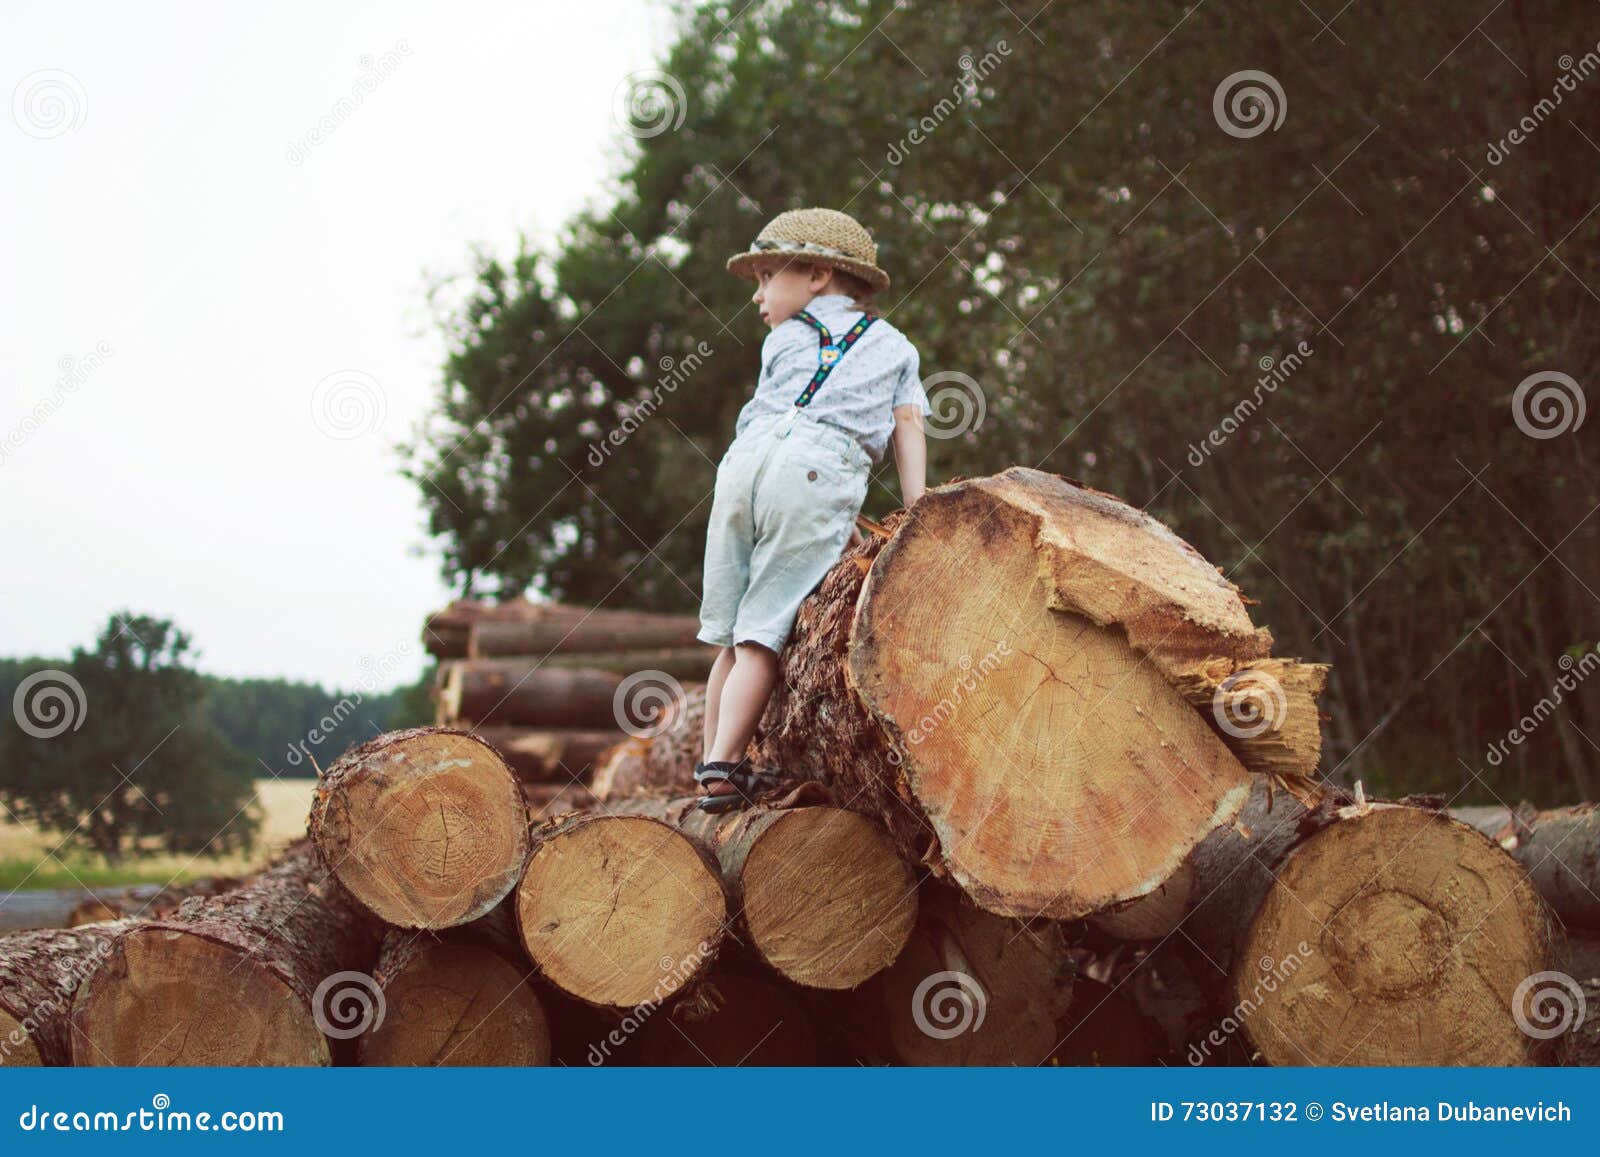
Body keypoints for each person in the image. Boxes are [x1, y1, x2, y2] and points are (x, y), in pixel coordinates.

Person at [693, 207, 930, 812]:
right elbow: (907, 427)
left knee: (728, 635)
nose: (759, 296)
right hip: (816, 471)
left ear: (819, 274)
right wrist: (917, 512)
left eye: (767, 277)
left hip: (742, 465)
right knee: (762, 634)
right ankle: (723, 770)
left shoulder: (784, 338)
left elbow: (778, 420)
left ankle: (707, 767)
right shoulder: (896, 347)